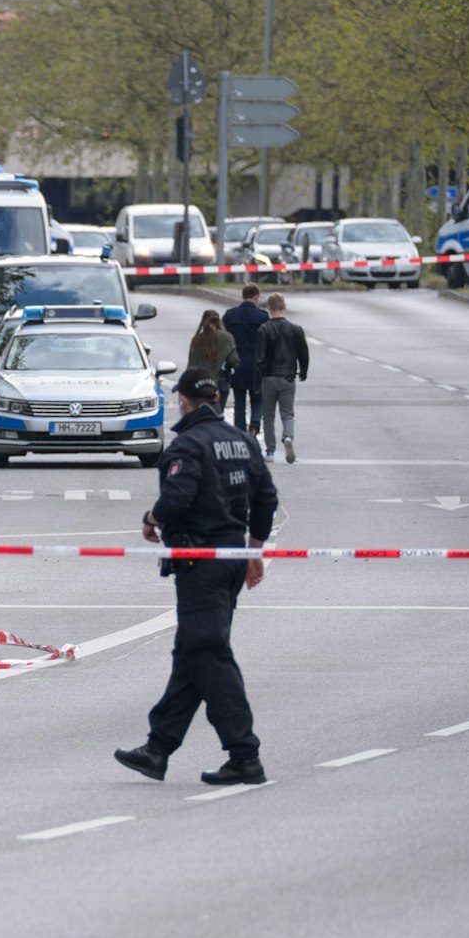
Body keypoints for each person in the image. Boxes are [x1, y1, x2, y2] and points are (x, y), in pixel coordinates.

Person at [116, 370, 279, 786]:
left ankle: (244, 753)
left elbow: (177, 496)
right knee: (191, 652)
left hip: (200, 561)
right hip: (231, 559)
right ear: (218, 399)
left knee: (207, 652)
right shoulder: (242, 440)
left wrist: (151, 520)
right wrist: (254, 548)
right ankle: (158, 749)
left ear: (184, 400)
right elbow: (266, 497)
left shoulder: (187, 445)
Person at [256, 291, 309, 462]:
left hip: (269, 377)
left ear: (269, 308)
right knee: (287, 414)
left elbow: (259, 358)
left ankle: (270, 451)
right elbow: (303, 353)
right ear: (284, 307)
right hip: (287, 377)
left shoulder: (264, 329)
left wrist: (258, 380)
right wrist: (303, 371)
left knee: (268, 416)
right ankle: (288, 437)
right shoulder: (295, 329)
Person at [221, 282, 270, 438]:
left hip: (237, 365)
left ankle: (240, 433)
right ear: (255, 296)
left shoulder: (230, 316)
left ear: (243, 296)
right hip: (257, 366)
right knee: (257, 400)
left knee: (239, 403)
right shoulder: (263, 317)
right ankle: (254, 427)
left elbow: (225, 340)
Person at [186, 309, 238, 409]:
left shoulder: (196, 339)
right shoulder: (226, 338)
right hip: (221, 383)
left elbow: (191, 365)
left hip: (201, 384)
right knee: (218, 413)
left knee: (203, 413)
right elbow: (234, 361)